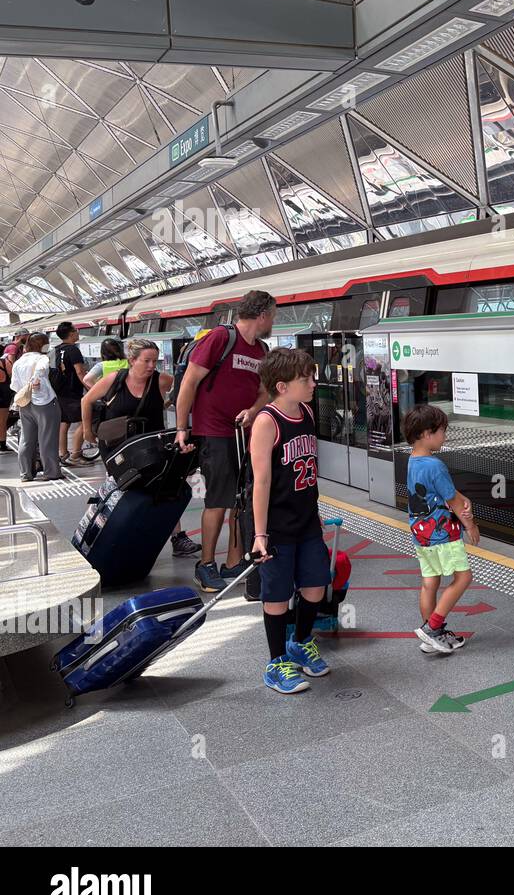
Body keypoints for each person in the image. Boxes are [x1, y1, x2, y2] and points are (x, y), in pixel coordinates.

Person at [174, 290, 276, 593]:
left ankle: (234, 562)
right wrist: (182, 428)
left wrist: (254, 410)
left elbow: (265, 391)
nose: (273, 321)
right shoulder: (220, 338)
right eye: (273, 315)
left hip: (245, 433)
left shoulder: (262, 349)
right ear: (262, 315)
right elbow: (190, 381)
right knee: (218, 499)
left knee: (241, 499)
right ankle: (205, 564)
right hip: (215, 432)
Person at [248, 348, 330, 695]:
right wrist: (260, 534)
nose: (313, 383)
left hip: (307, 520)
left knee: (315, 586)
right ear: (282, 386)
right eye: (305, 379)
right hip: (278, 526)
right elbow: (262, 481)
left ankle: (300, 642)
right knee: (277, 596)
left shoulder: (307, 412)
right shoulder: (267, 422)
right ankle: (277, 661)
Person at [80, 338, 202, 558]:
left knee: (166, 484)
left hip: (151, 445)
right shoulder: (114, 381)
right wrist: (88, 432)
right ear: (132, 360)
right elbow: (86, 401)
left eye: (155, 361)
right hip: (118, 448)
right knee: (126, 489)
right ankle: (119, 535)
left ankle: (177, 537)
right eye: (146, 361)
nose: (151, 366)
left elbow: (178, 397)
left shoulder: (162, 381)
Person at [403, 404, 480, 655]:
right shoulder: (435, 465)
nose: (444, 437)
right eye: (442, 432)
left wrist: (458, 495)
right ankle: (433, 628)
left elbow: (443, 492)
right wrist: (471, 525)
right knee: (463, 577)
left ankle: (431, 636)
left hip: (421, 532)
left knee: (430, 581)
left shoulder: (413, 460)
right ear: (427, 433)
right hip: (442, 531)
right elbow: (454, 501)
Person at [11, 333, 63, 483]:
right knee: (47, 438)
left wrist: (25, 388)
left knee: (26, 439)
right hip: (44, 402)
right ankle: (51, 472)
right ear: (44, 346)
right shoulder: (42, 358)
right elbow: (41, 369)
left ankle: (26, 474)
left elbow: (14, 385)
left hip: (25, 404)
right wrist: (35, 381)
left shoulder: (19, 362)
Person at [51, 321, 92, 468]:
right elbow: (80, 372)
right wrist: (90, 388)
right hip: (72, 391)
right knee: (86, 419)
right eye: (76, 330)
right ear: (71, 333)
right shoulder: (73, 350)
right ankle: (76, 454)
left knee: (64, 422)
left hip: (59, 391)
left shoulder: (56, 349)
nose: (78, 332)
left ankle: (63, 454)